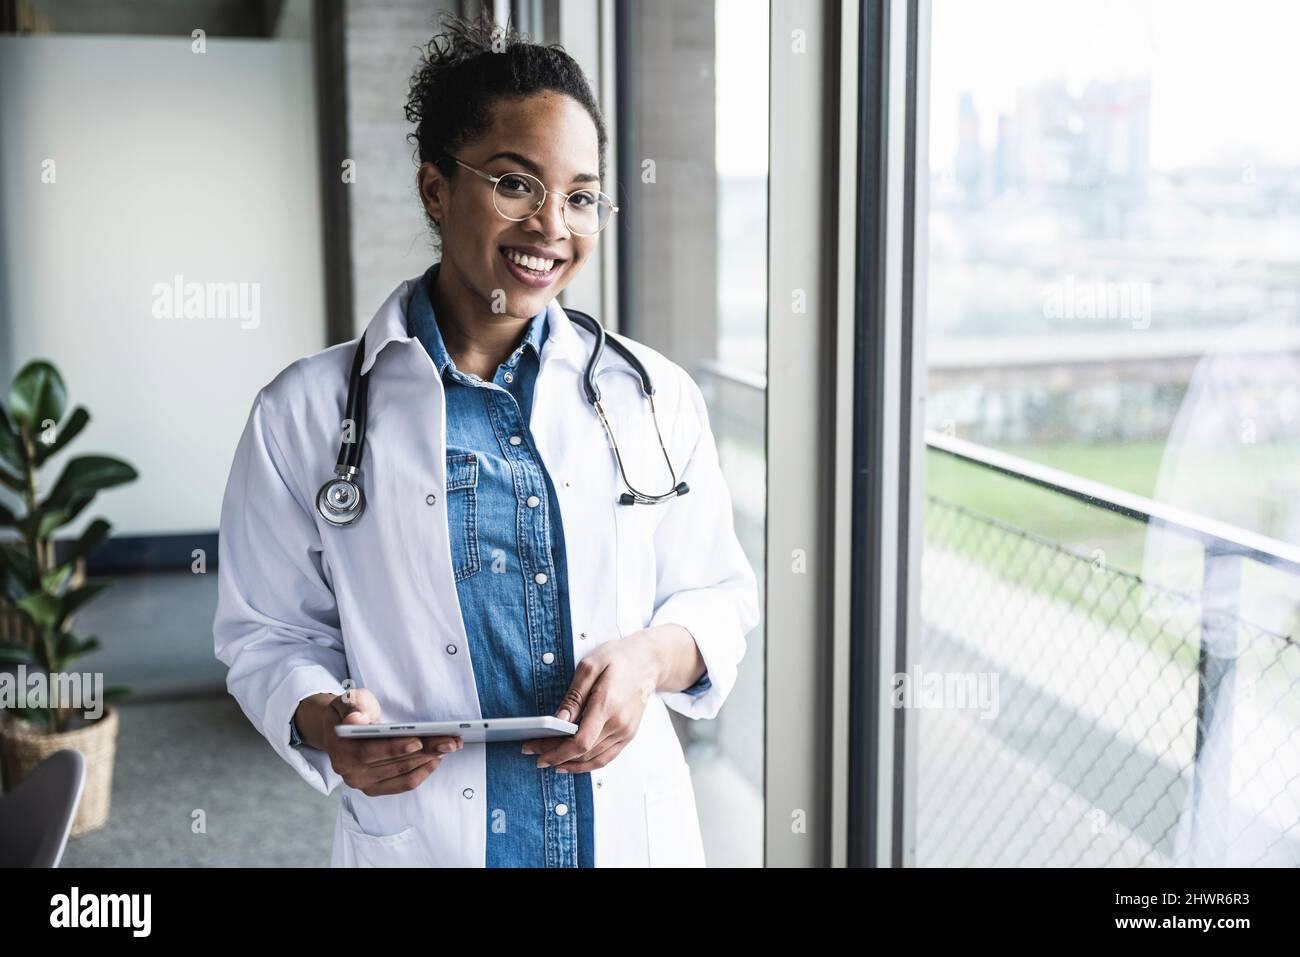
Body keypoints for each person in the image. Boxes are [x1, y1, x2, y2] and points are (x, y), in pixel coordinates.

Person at [212, 14, 760, 868]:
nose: (552, 225)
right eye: (516, 183)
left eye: (581, 195)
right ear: (436, 189)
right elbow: (266, 632)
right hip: (428, 834)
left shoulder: (652, 396)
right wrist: (324, 721)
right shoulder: (303, 413)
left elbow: (721, 594)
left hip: (621, 831)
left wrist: (651, 658)